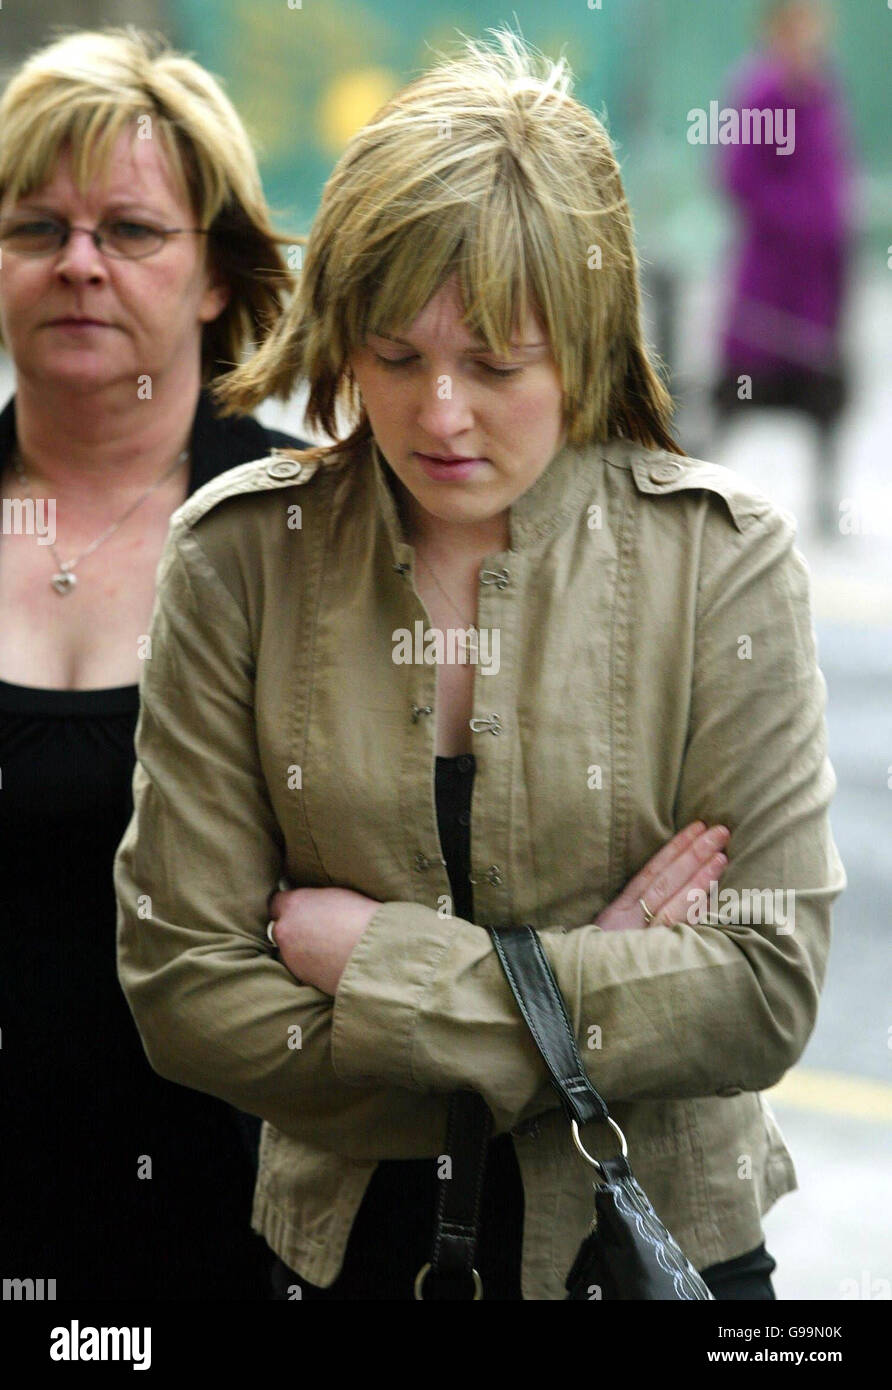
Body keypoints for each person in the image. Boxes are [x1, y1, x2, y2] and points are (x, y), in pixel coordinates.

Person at [115, 29, 846, 1301]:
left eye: (498, 365)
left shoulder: (719, 561)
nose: (438, 412)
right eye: (395, 357)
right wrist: (589, 1002)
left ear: (590, 341)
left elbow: (761, 990)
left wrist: (388, 971)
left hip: (657, 1254)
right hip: (343, 1258)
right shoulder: (240, 557)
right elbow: (184, 987)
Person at [0, 27, 307, 1299]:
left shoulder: (313, 528)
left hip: (244, 1228)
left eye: (129, 232)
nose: (78, 265)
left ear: (216, 276)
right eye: (34, 228)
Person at [711, 0, 856, 539]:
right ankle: (700, 486)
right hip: (770, 283)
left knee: (826, 398)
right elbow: (736, 178)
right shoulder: (760, 93)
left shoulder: (823, 90)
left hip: (817, 287)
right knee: (738, 393)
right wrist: (797, 221)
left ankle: (825, 503)